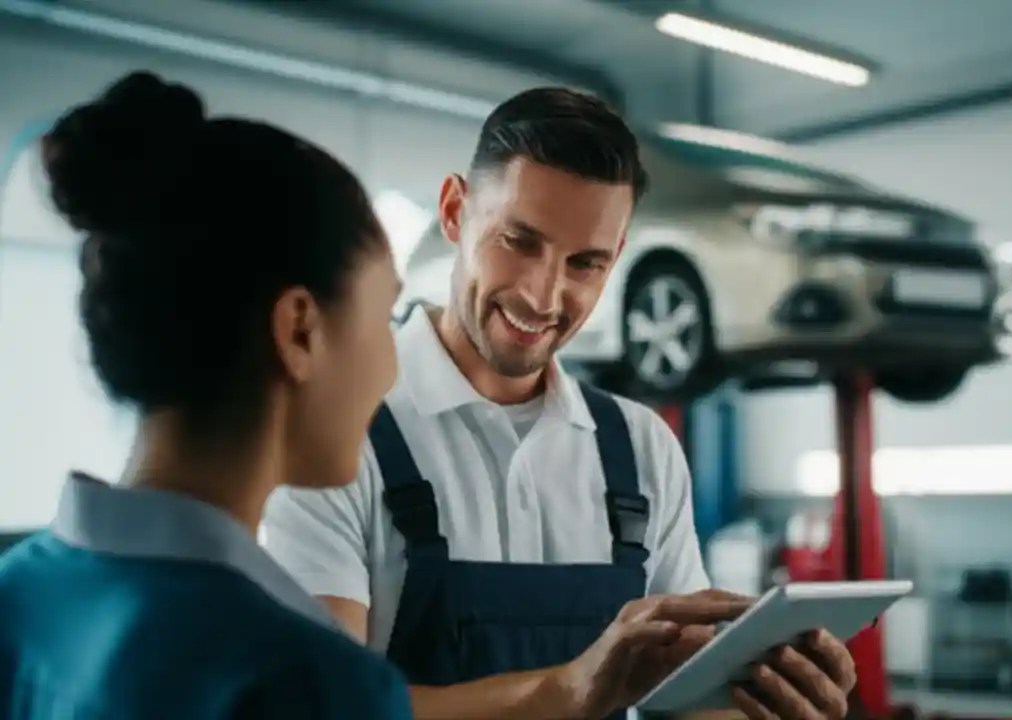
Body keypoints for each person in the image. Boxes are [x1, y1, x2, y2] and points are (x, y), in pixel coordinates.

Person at [262, 87, 859, 719]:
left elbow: (684, 705)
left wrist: (774, 697)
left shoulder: (642, 449)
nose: (543, 297)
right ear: (455, 211)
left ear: (615, 259)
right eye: (519, 241)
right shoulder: (335, 433)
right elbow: (325, 708)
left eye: (585, 264)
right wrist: (569, 691)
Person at [0, 72, 411, 719]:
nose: (393, 368)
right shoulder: (311, 682)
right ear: (298, 330)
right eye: (386, 317)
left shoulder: (17, 594)